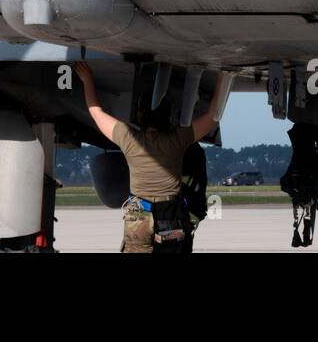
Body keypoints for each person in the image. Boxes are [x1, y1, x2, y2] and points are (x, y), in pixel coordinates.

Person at [74, 62, 227, 253]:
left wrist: (87, 80)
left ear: (140, 116)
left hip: (139, 216)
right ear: (168, 117)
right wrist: (224, 76)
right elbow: (213, 117)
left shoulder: (129, 139)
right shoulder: (177, 140)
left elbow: (96, 113)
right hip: (170, 216)